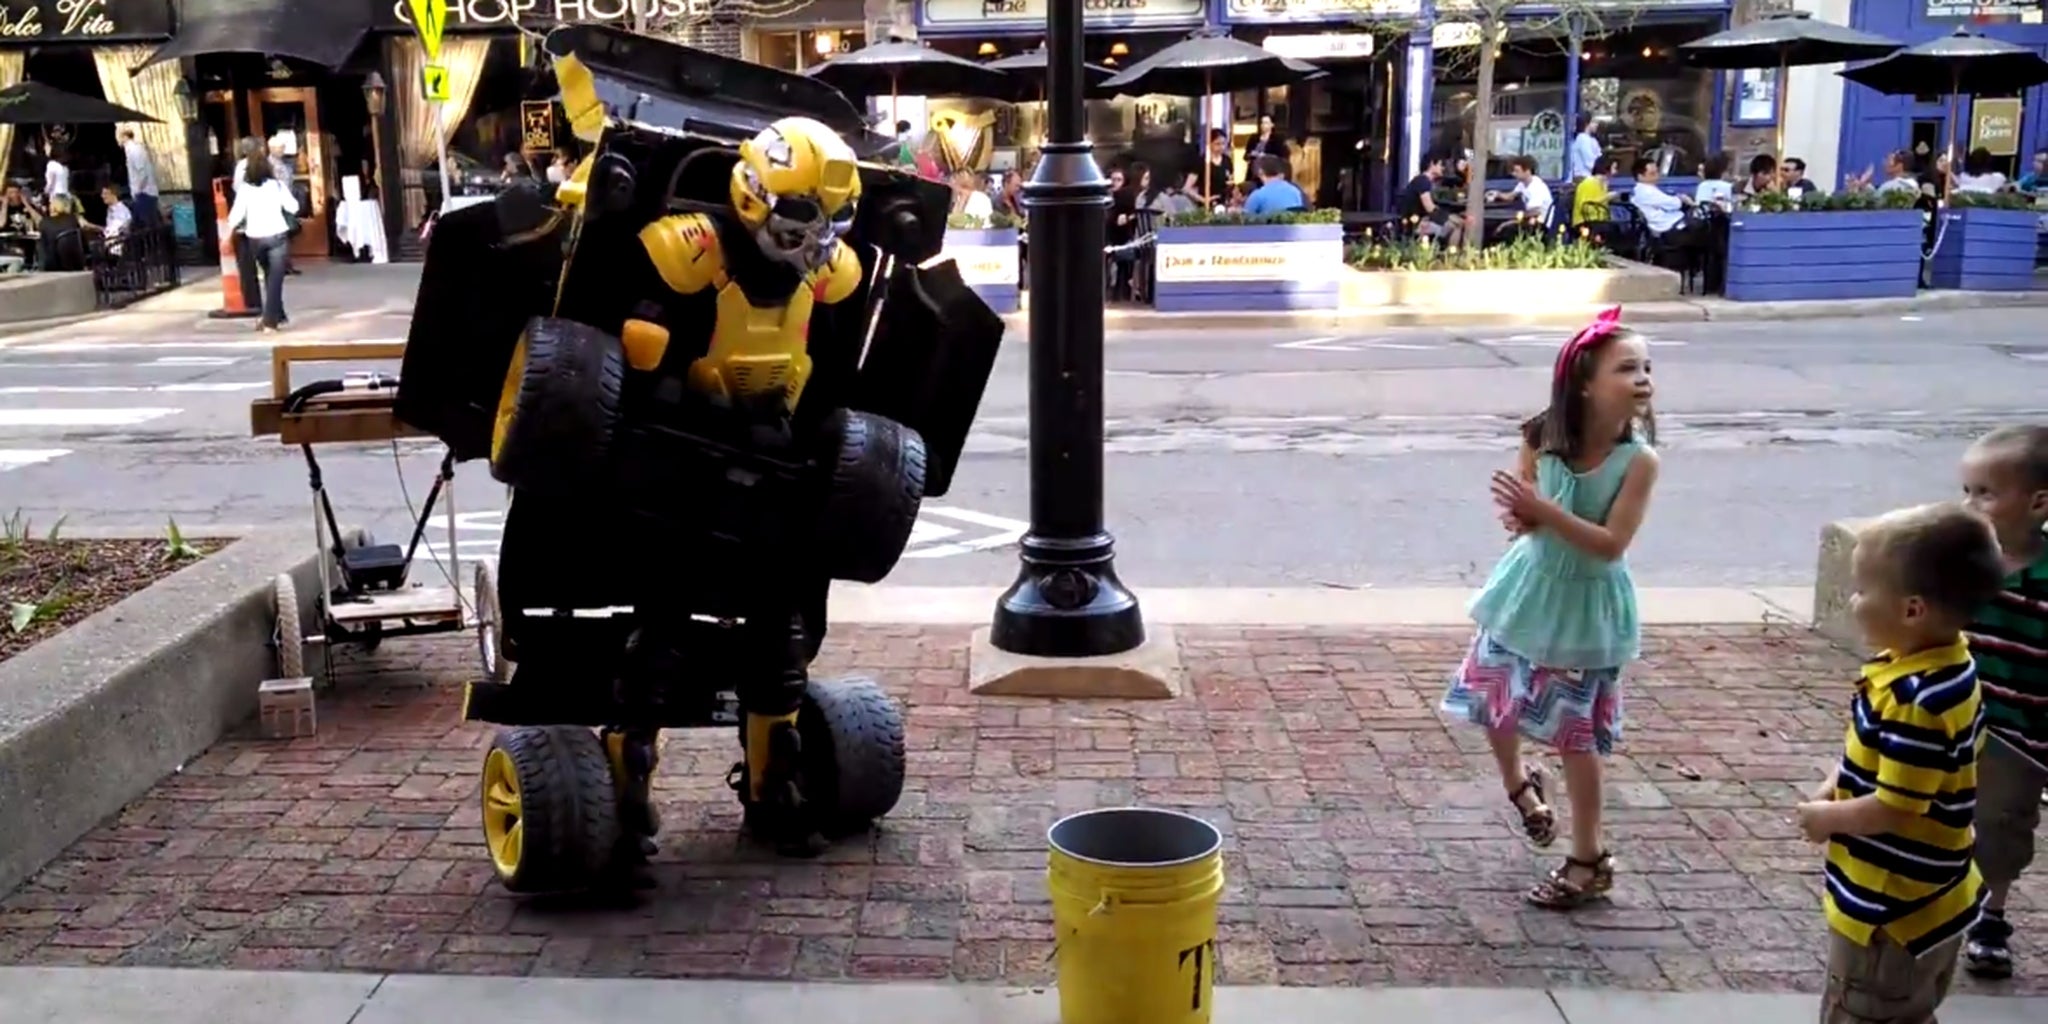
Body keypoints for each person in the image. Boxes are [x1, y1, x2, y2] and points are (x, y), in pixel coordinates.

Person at [1440, 305, 1660, 910]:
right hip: (1527, 593)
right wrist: (1520, 516)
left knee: (1575, 737)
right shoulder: (1541, 436)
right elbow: (1524, 513)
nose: (1643, 378)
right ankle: (1519, 786)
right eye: (1627, 367)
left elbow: (1610, 544)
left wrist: (1542, 515)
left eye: (1646, 367)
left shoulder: (1639, 461)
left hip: (1584, 610)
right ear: (1585, 382)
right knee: (1492, 699)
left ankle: (1589, 857)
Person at [1793, 502, 2005, 1024]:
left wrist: (1826, 819)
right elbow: (1881, 761)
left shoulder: (1917, 699)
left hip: (1892, 913)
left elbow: (1898, 806)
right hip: (1932, 898)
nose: (1854, 599)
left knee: (1862, 1010)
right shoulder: (1943, 665)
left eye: (1863, 589)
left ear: (1912, 609)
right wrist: (1836, 781)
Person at [1956, 426, 2048, 980]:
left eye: (1985, 493)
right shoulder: (1959, 562)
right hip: (1948, 719)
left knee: (2002, 825)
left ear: (2039, 502)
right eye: (1967, 491)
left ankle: (1991, 913)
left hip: (2019, 731)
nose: (1970, 505)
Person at [224, 151, 301, 333]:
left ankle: (277, 314)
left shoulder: (244, 190)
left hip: (255, 239)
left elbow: (236, 216)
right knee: (275, 280)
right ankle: (270, 322)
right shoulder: (277, 186)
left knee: (269, 276)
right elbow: (294, 207)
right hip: (277, 236)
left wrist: (227, 236)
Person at [1400, 152, 1463, 247]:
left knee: (1456, 222)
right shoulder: (1423, 181)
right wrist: (1449, 217)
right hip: (1415, 225)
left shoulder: (1422, 181)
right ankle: (1452, 255)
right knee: (1457, 225)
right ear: (1432, 164)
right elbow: (1429, 207)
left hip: (1419, 221)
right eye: (1441, 165)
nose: (1443, 168)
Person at [117, 128, 160, 226]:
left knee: (146, 224)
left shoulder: (134, 150)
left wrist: (137, 191)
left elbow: (142, 172)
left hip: (144, 194)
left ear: (124, 137)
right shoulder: (132, 150)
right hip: (143, 194)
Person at [1568, 113, 1602, 181]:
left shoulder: (1591, 140)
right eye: (1593, 122)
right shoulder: (1582, 139)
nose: (1596, 125)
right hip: (1582, 178)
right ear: (1587, 124)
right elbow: (1590, 163)